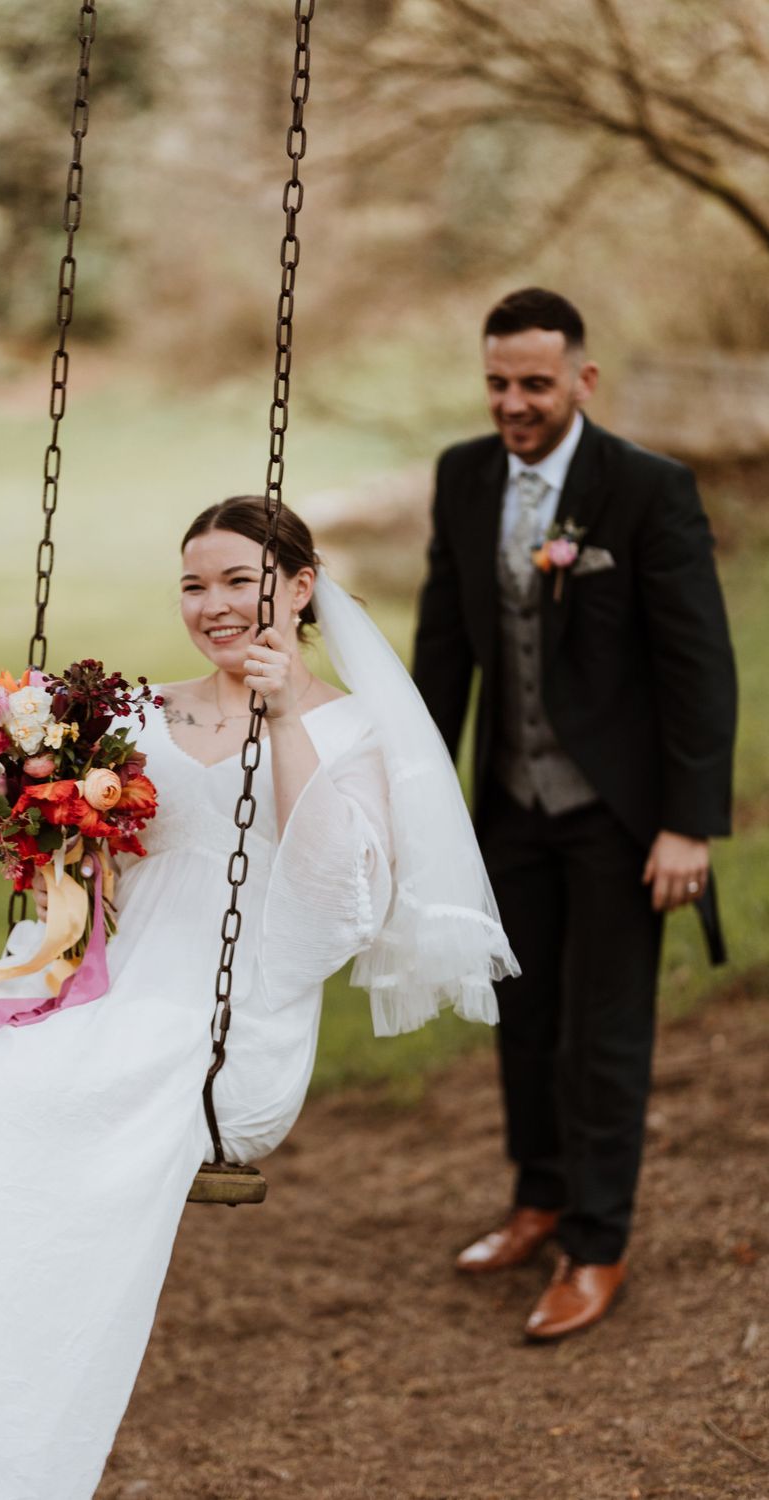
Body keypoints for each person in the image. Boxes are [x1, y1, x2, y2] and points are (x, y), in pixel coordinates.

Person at [0, 497, 515, 1499]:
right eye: (192, 585)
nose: (212, 606)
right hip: (98, 985)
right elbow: (75, 863)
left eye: (238, 581)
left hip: (224, 1024)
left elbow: (335, 909)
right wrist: (23, 798)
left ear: (299, 588)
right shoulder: (134, 712)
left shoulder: (347, 730)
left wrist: (286, 713)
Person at [413, 288, 737, 1341]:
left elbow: (699, 670)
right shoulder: (461, 477)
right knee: (523, 1017)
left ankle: (595, 1245)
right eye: (498, 382)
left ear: (581, 382)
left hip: (615, 816)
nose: (513, 402)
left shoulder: (645, 490)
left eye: (534, 384)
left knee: (603, 1034)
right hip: (508, 806)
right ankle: (538, 1198)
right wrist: (418, 795)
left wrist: (687, 823)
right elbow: (443, 651)